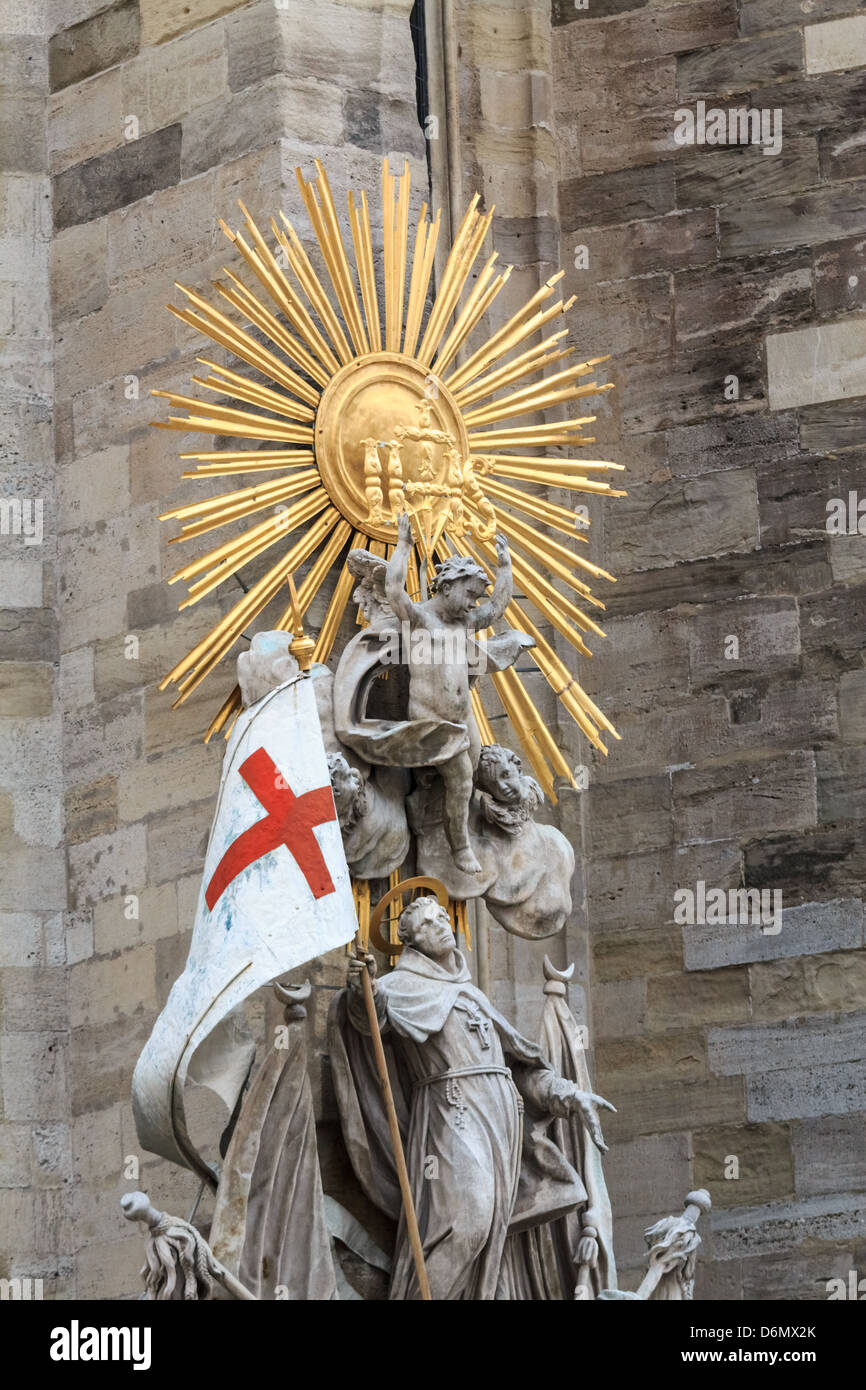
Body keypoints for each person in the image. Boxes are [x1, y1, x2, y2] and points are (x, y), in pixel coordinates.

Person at [328, 895, 615, 1300]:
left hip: (502, 1123)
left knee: (493, 1233)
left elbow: (519, 1066)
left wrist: (566, 1094)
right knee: (467, 1221)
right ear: (408, 940)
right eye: (427, 923)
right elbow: (369, 1018)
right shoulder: (399, 987)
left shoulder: (472, 995)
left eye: (443, 916)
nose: (441, 924)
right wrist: (364, 987)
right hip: (452, 1114)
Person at [384, 511, 511, 872]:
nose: (474, 603)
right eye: (470, 594)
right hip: (431, 721)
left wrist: (505, 567)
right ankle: (460, 848)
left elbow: (497, 607)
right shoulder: (422, 619)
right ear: (447, 586)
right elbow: (394, 590)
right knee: (460, 780)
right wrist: (404, 546)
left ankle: (426, 801)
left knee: (469, 772)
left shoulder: (465, 621)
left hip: (462, 716)